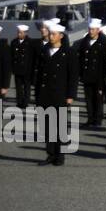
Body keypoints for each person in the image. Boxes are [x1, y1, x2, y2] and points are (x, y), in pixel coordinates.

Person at [34, 23, 77, 166]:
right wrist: (37, 93)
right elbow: (39, 74)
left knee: (60, 126)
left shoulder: (68, 52)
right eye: (50, 34)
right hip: (45, 94)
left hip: (60, 94)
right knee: (47, 126)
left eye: (54, 34)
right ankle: (51, 154)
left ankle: (60, 155)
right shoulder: (44, 50)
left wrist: (70, 95)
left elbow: (72, 76)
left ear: (61, 36)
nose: (51, 37)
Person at [74, 18, 105, 128]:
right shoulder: (84, 41)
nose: (91, 32)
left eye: (93, 29)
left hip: (99, 75)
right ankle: (90, 118)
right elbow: (80, 57)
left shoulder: (104, 42)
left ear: (98, 30)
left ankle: (98, 119)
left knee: (98, 98)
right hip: (87, 75)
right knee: (88, 98)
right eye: (90, 29)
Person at [9, 24, 38, 110]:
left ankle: (25, 102)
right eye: (18, 32)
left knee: (26, 87)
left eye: (21, 33)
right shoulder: (14, 42)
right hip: (17, 68)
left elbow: (33, 56)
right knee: (18, 87)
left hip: (27, 68)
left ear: (25, 33)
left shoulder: (30, 42)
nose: (19, 34)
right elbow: (12, 55)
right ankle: (19, 101)